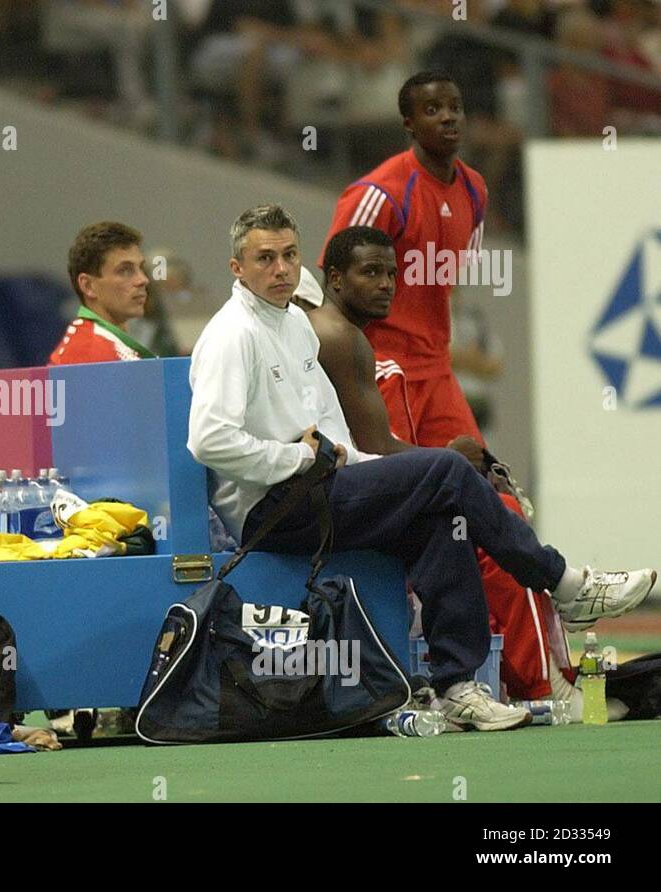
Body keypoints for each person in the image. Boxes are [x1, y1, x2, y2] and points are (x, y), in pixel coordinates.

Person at [188, 205, 655, 731]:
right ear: (237, 268)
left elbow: (335, 439)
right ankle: (564, 583)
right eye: (265, 258)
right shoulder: (232, 334)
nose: (280, 269)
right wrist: (295, 457)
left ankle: (457, 685)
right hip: (270, 511)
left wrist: (353, 463)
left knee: (442, 517)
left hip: (318, 491)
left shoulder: (295, 323)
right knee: (446, 472)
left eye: (290, 255)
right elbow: (208, 440)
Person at [303, 226, 590, 708]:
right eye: (371, 272)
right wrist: (449, 465)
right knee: (476, 505)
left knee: (459, 512)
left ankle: (460, 683)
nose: (387, 283)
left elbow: (379, 448)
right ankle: (543, 671)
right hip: (311, 502)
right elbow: (373, 449)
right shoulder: (335, 340)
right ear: (333, 280)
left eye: (392, 273)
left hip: (346, 488)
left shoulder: (359, 350)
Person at [320, 71, 488, 449]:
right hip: (381, 366)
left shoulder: (475, 191)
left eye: (455, 108)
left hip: (437, 368)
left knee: (488, 486)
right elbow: (329, 286)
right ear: (409, 124)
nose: (448, 117)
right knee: (403, 485)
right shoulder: (380, 193)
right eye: (432, 109)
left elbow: (449, 279)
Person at [48, 221, 157, 365]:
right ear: (88, 286)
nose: (143, 280)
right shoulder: (84, 354)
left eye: (141, 268)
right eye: (125, 270)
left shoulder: (109, 345)